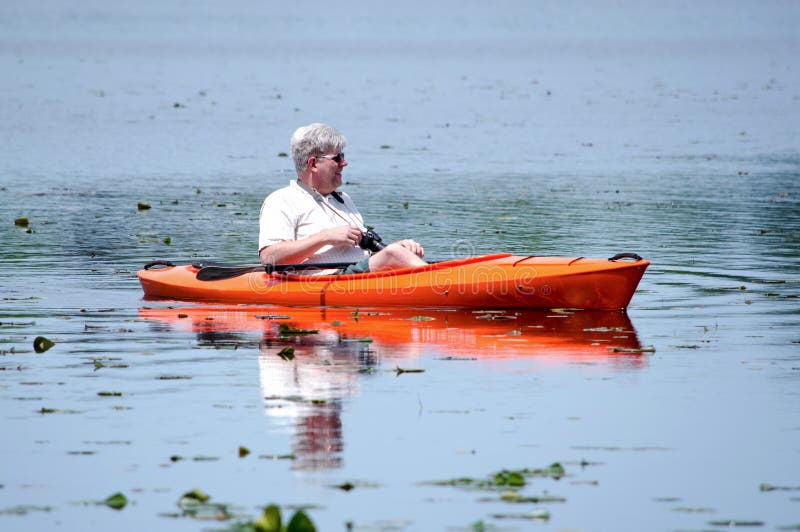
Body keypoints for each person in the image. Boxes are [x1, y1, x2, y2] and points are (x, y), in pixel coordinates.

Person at [258, 123, 425, 274]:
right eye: (337, 158)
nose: (344, 163)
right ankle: (437, 282)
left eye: (342, 156)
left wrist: (399, 249)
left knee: (396, 250)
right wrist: (325, 237)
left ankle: (435, 279)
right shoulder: (281, 200)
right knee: (393, 253)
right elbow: (270, 258)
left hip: (359, 277)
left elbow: (366, 251)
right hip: (323, 283)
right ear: (313, 164)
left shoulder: (344, 199)